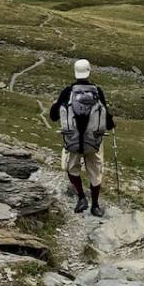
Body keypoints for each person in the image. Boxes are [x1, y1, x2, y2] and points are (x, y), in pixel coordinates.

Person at [49, 58, 115, 217]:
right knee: (95, 173)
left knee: (71, 168)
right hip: (94, 141)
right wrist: (112, 123)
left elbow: (53, 116)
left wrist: (56, 104)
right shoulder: (98, 92)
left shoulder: (67, 92)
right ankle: (96, 206)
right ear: (89, 71)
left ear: (75, 72)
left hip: (72, 140)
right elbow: (107, 121)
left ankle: (81, 197)